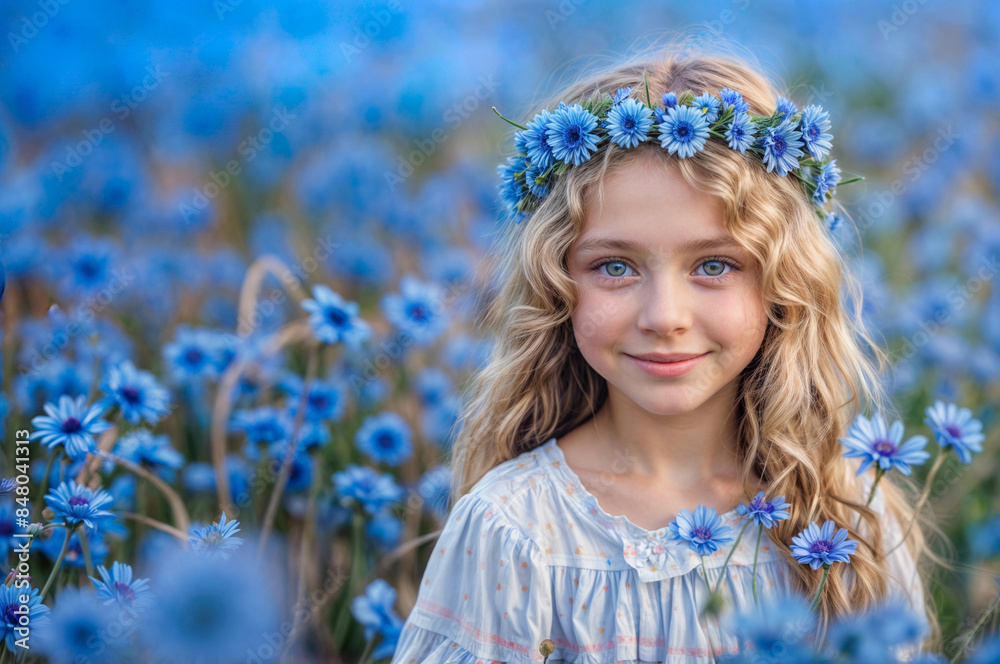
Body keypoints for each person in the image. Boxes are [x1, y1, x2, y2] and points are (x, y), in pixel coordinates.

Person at [390, 37, 937, 664]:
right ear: (556, 284)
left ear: (784, 283)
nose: (664, 318)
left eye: (714, 264)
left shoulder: (847, 519)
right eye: (615, 266)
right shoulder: (515, 531)